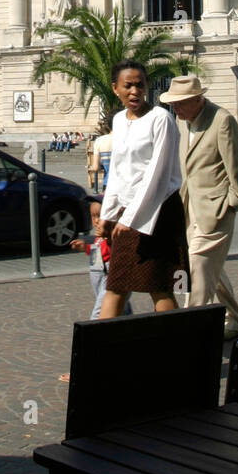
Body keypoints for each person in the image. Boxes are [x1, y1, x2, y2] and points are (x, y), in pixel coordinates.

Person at [160, 76, 238, 341]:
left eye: (181, 103)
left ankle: (189, 333)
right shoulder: (181, 121)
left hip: (216, 210)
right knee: (212, 270)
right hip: (188, 208)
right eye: (173, 104)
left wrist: (233, 201)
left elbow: (236, 164)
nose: (176, 109)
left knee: (197, 269)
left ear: (198, 99)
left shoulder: (221, 120)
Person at [98, 61, 189, 318]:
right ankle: (100, 351)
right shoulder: (118, 120)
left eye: (140, 85)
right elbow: (117, 171)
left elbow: (157, 174)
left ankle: (176, 348)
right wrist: (108, 214)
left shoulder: (161, 118)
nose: (135, 91)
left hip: (157, 213)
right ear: (115, 88)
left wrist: (129, 218)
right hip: (128, 214)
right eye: (128, 86)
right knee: (116, 284)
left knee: (159, 287)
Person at [69, 197, 132, 319]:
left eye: (100, 216)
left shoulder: (113, 233)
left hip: (108, 273)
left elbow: (113, 250)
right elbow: (98, 251)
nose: (96, 221)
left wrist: (108, 237)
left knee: (102, 307)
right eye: (93, 216)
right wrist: (86, 248)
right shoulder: (99, 234)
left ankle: (94, 330)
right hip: (97, 271)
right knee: (117, 304)